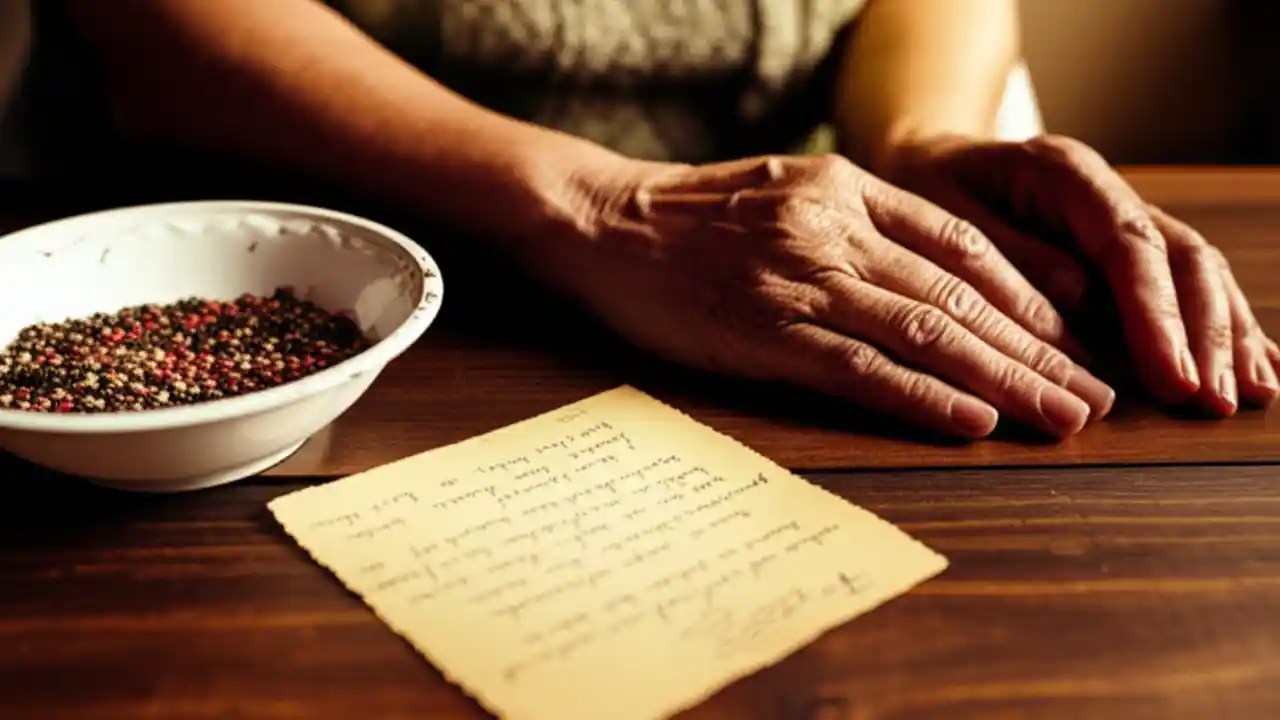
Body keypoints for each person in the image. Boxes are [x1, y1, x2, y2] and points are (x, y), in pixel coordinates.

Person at [56, 0, 1279, 439]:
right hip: (297, 248)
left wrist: (920, 145)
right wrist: (600, 208)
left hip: (776, 262)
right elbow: (163, 34)